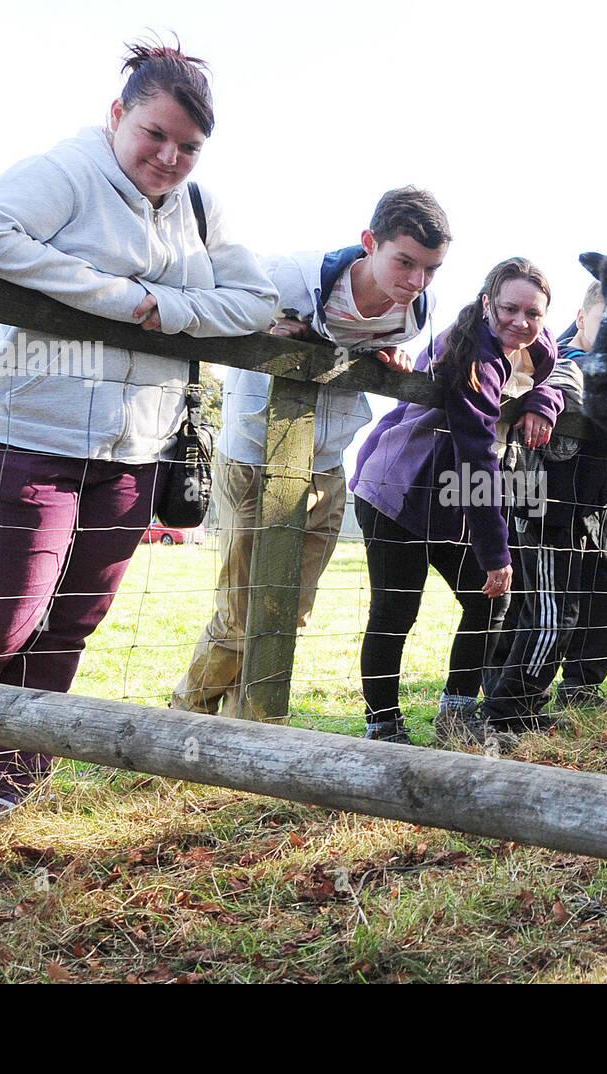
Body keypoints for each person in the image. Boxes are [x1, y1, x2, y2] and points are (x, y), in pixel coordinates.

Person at [0, 41, 277, 813]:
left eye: (188, 146)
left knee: (69, 626)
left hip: (135, 449)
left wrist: (169, 310)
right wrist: (118, 298)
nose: (169, 156)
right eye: (155, 133)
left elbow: (253, 303)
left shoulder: (200, 207)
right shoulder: (68, 173)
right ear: (117, 115)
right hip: (22, 431)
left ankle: (9, 797)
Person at [172, 188, 451, 717]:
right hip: (254, 453)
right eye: (405, 262)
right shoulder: (285, 277)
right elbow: (215, 313)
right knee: (239, 614)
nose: (416, 282)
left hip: (327, 463)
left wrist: (379, 354)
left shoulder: (416, 311)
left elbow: (373, 347)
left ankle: (248, 733)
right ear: (369, 243)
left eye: (431, 270)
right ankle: (185, 724)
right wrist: (264, 329)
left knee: (289, 612)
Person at [349, 258, 564, 744]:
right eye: (510, 308)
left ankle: (456, 712)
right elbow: (477, 458)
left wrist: (542, 403)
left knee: (488, 601)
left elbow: (550, 378)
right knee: (396, 610)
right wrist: (496, 554)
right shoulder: (472, 356)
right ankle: (382, 725)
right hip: (399, 490)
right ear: (487, 303)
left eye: (534, 313)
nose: (522, 322)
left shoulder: (534, 341)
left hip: (451, 498)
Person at [476, 284, 607, 738]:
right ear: (582, 316)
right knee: (548, 614)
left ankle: (576, 690)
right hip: (545, 508)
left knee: (603, 596)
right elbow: (547, 385)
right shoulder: (555, 361)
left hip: (596, 508)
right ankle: (510, 707)